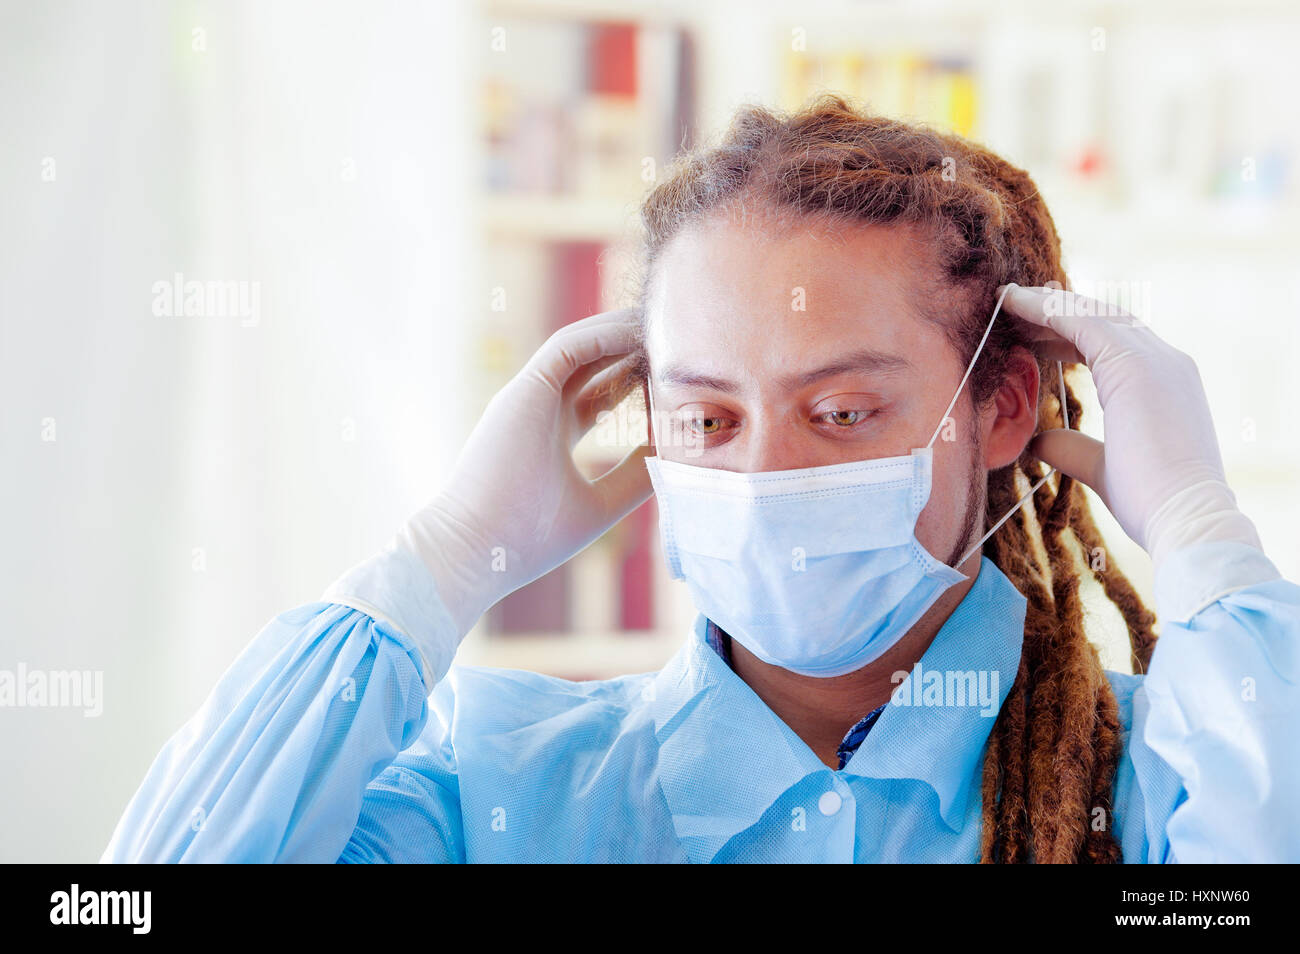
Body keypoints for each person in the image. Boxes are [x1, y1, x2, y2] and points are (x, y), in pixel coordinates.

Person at [101, 94, 1300, 863]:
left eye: (839, 411)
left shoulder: (1160, 790)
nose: (766, 471)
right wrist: (441, 561)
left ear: (999, 409)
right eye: (707, 416)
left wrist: (1206, 541)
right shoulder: (493, 790)